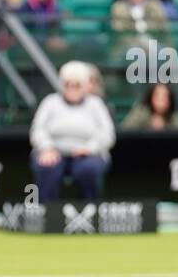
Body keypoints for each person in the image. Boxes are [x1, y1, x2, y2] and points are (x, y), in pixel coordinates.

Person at [29, 60, 115, 201]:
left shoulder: (96, 104)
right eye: (67, 84)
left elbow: (107, 134)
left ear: (84, 86)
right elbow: (38, 129)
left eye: (76, 85)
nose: (71, 89)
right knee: (46, 167)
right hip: (54, 152)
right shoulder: (50, 102)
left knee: (89, 169)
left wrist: (90, 148)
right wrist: (47, 147)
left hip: (88, 154)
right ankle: (47, 214)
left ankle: (89, 213)